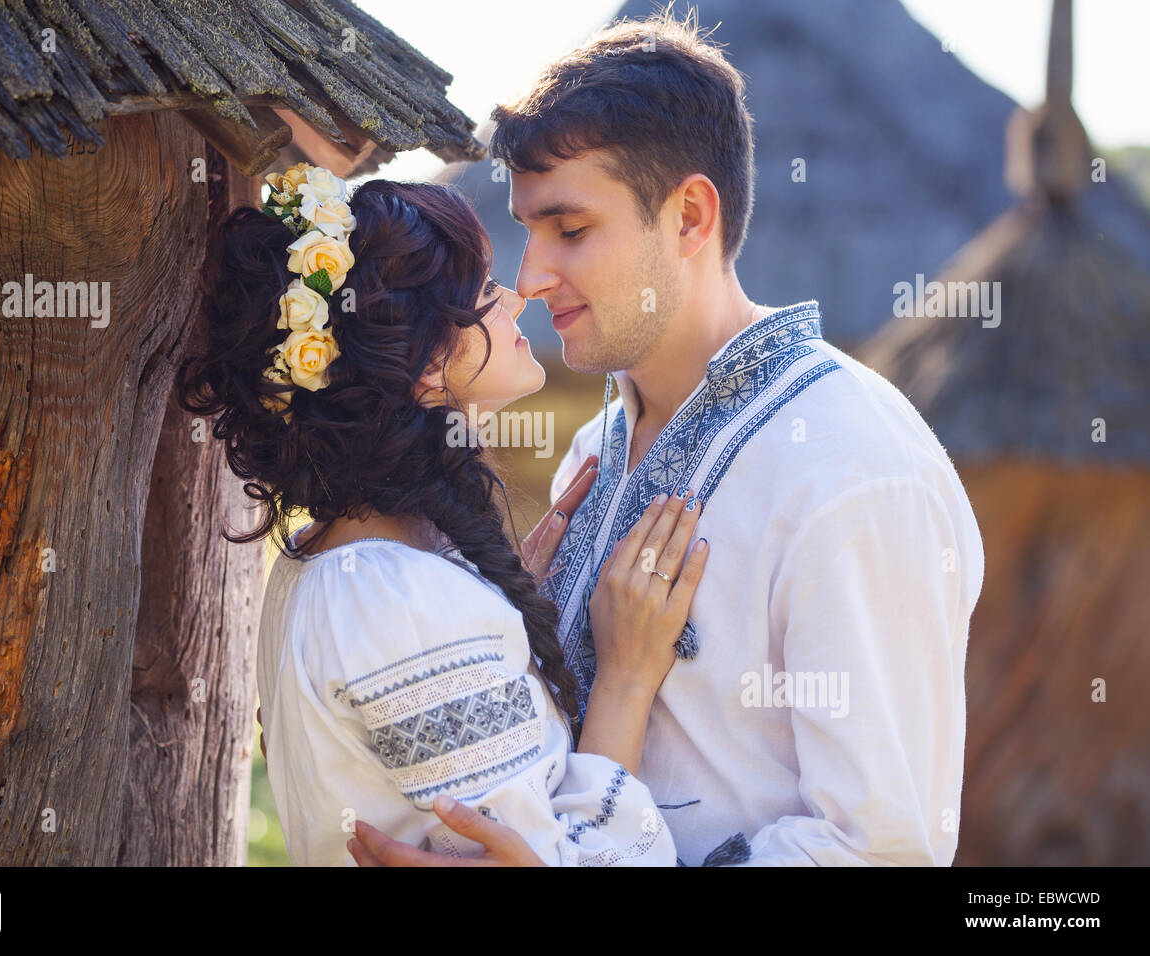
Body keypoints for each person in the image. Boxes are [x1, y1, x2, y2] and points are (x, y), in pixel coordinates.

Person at [352, 11, 984, 867]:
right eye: (527, 229)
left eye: (569, 230)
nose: (530, 276)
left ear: (689, 217)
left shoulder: (854, 471)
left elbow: (880, 849)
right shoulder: (592, 454)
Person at [178, 166, 710, 865]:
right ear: (426, 365)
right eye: (485, 292)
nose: (516, 301)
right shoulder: (402, 604)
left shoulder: (338, 570)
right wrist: (627, 677)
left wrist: (493, 594)